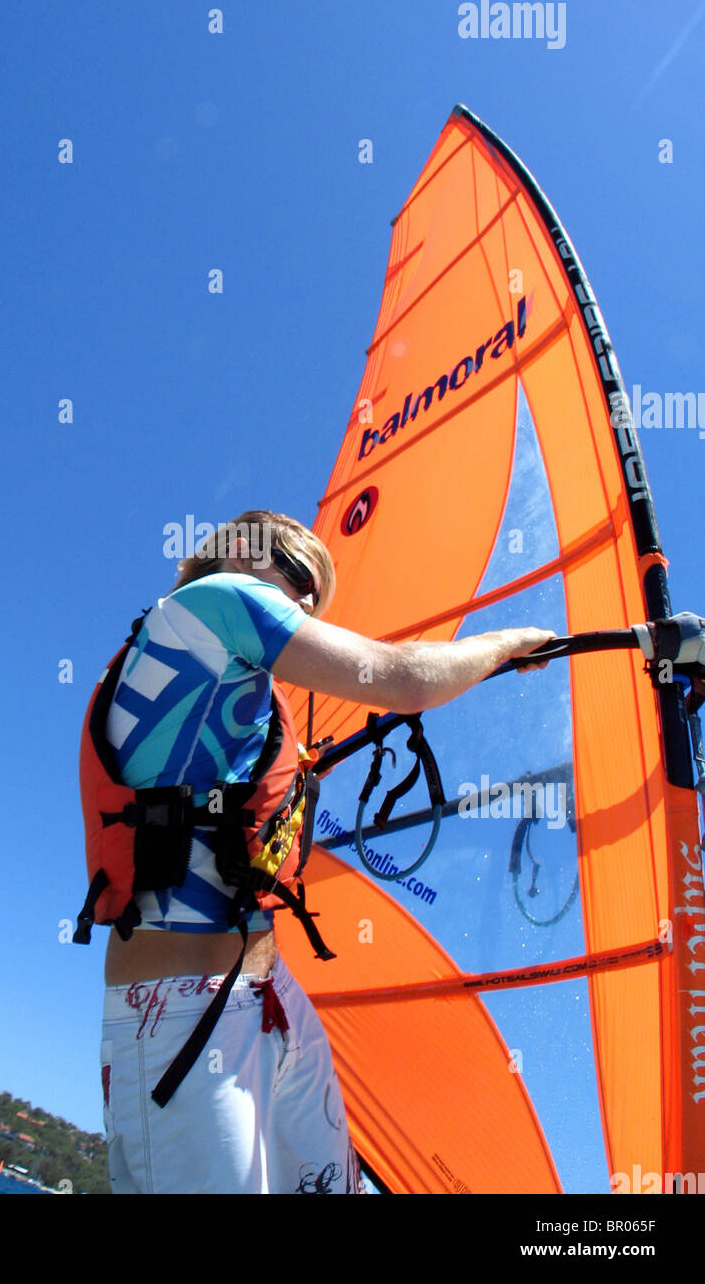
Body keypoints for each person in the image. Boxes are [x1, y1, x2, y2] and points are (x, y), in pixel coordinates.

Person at [85, 511, 553, 1194]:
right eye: (301, 579)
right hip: (178, 1013)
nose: (304, 603)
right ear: (240, 550)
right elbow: (402, 679)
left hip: (270, 1002)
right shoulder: (219, 600)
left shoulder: (219, 676)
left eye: (315, 598)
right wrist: (509, 643)